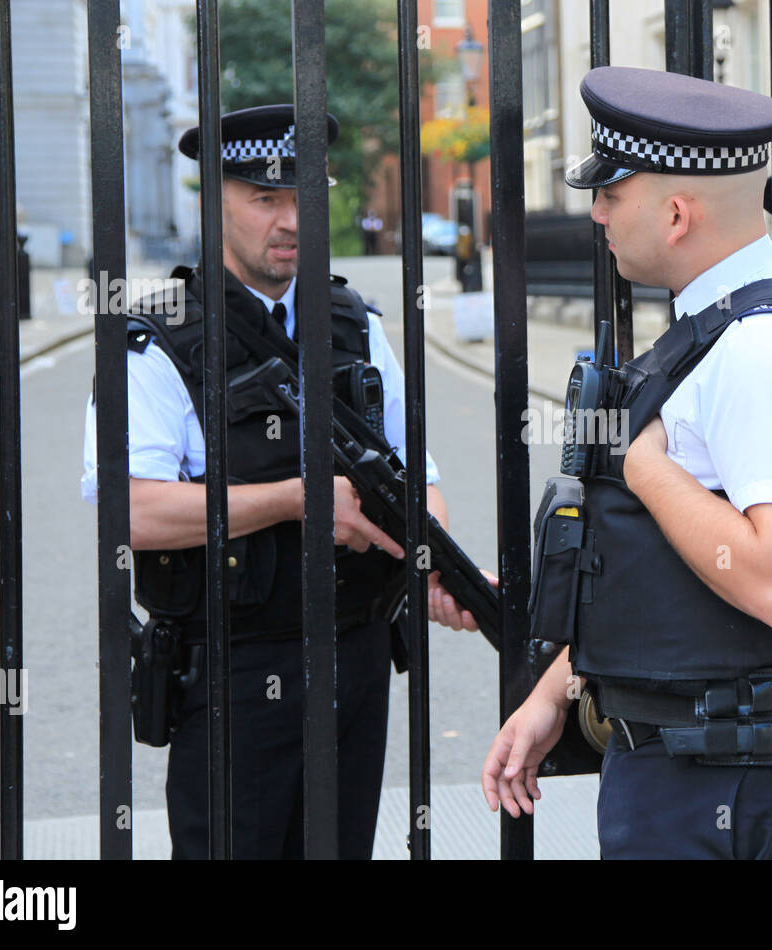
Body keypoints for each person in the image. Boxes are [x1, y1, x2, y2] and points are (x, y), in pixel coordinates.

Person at [480, 67, 772, 859]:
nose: (595, 213)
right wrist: (554, 691)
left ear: (677, 211)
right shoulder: (711, 333)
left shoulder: (768, 350)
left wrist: (645, 467)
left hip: (731, 781)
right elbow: (655, 560)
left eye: (611, 195)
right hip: (686, 767)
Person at [81, 104, 483, 859]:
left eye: (305, 195)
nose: (292, 219)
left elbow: (415, 470)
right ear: (214, 202)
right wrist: (297, 500)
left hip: (357, 657)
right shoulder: (157, 339)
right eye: (265, 199)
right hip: (234, 671)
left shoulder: (354, 321)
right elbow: (129, 511)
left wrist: (432, 558)